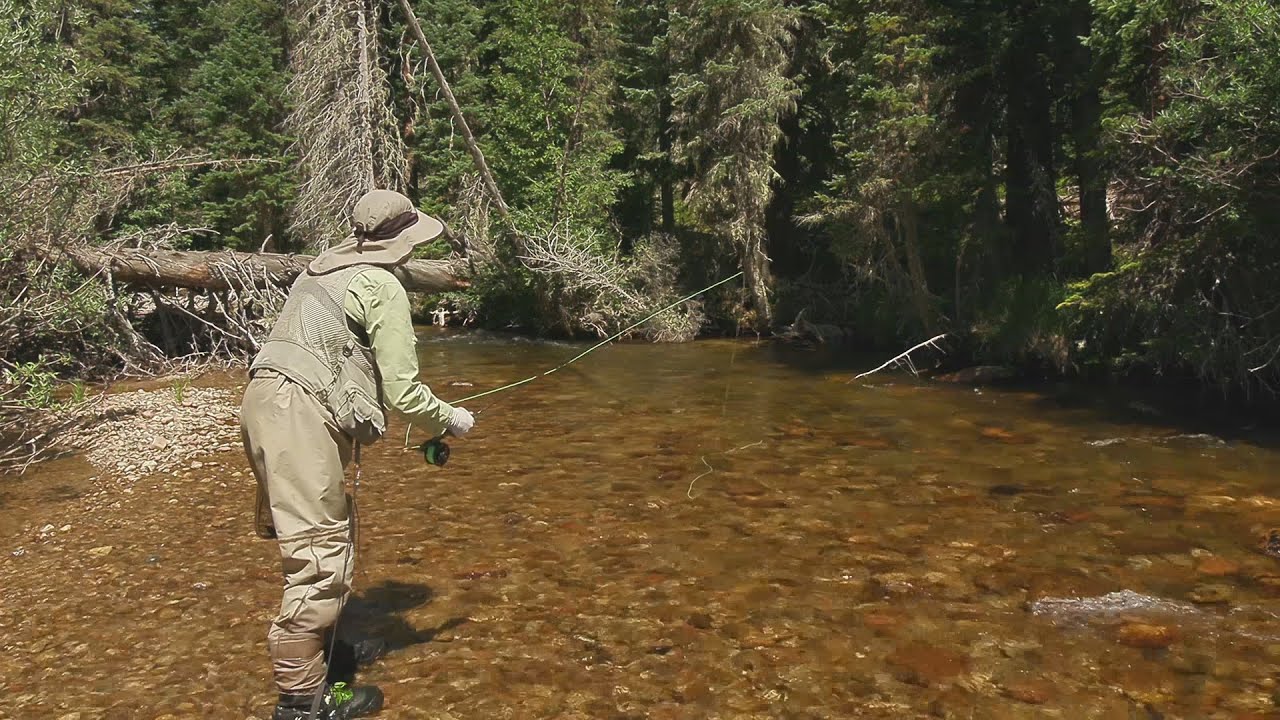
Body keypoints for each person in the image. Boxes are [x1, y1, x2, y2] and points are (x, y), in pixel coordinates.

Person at [240, 189, 475, 719]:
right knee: (319, 557)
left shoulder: (320, 271)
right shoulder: (382, 285)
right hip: (297, 416)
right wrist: (450, 420)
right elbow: (404, 394)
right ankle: (302, 702)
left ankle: (330, 656)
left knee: (329, 532)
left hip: (266, 404)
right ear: (401, 243)